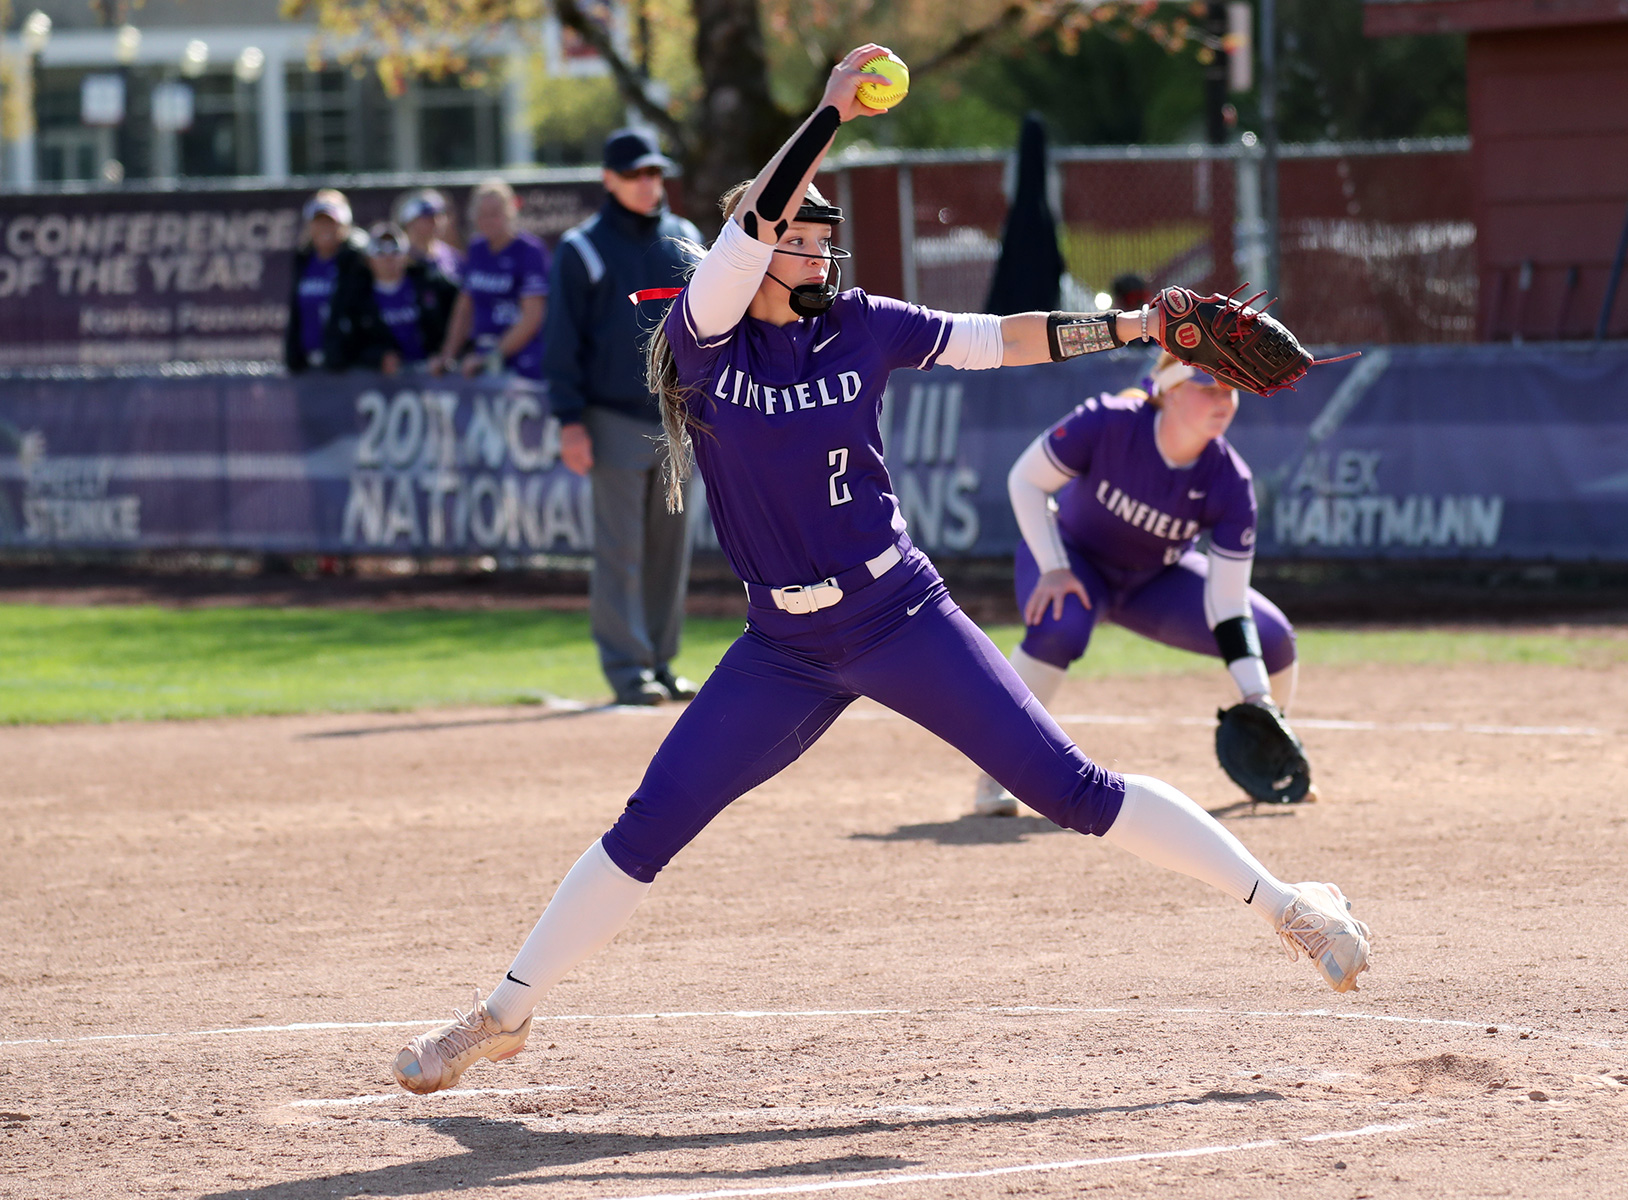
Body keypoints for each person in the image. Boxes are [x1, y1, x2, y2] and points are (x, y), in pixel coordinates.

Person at [390, 45, 1371, 1098]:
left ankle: (1289, 907)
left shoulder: (859, 327)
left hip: (899, 610)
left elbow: (995, 340)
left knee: (1070, 789)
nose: (821, 257)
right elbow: (744, 233)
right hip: (786, 647)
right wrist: (825, 115)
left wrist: (1133, 325)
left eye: (823, 241)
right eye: (802, 240)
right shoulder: (706, 340)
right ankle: (503, 1015)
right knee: (650, 823)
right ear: (757, 250)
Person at [974, 353, 1309, 816]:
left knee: (1273, 638)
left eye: (1229, 390)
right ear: (1169, 391)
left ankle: (1267, 761)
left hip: (1155, 579)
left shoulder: (1231, 481)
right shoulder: (1110, 422)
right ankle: (996, 774)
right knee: (1060, 624)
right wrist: (1053, 565)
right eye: (1207, 387)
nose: (1223, 400)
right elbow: (1026, 481)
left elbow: (1229, 606)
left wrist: (1258, 699)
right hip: (1073, 560)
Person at [546, 129, 707, 707]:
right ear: (609, 178)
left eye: (655, 173)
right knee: (621, 549)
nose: (649, 184)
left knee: (670, 549)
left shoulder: (686, 237)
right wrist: (569, 419)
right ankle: (626, 667)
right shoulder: (582, 248)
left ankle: (662, 662)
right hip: (611, 416)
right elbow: (562, 341)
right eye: (637, 174)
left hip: (678, 418)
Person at [430, 181, 550, 382]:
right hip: (481, 354)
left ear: (510, 212)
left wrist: (493, 356)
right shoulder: (477, 249)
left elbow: (533, 316)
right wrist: (448, 354)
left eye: (495, 213)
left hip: (524, 357)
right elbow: (464, 308)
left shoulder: (530, 251)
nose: (488, 220)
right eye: (482, 214)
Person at [349, 223, 459, 375]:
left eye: (395, 250)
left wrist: (444, 354)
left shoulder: (430, 283)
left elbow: (459, 313)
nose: (388, 257)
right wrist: (378, 358)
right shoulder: (358, 297)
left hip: (432, 377)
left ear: (406, 255)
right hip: (384, 385)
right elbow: (349, 345)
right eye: (380, 251)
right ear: (369, 260)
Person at [284, 189, 370, 373]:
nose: (325, 229)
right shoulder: (304, 261)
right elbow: (297, 313)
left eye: (331, 222)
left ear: (345, 225)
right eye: (319, 222)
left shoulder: (357, 262)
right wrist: (293, 355)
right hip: (308, 369)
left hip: (346, 371)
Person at [395, 188, 463, 281]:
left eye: (439, 216)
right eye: (428, 217)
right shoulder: (396, 259)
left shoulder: (453, 257)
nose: (435, 221)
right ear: (410, 222)